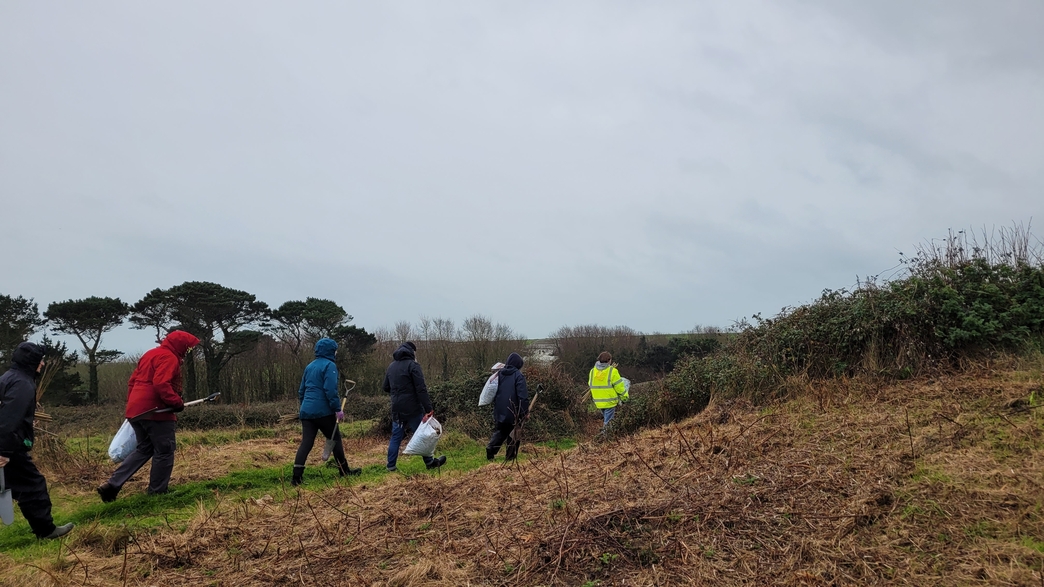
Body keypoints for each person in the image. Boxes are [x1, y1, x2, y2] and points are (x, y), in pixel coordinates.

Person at [97, 330, 200, 502]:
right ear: (181, 346)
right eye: (188, 348)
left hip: (136, 410)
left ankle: (112, 485)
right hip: (156, 411)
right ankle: (157, 492)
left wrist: (133, 405)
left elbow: (132, 382)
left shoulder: (150, 354)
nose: (189, 351)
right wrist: (176, 402)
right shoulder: (169, 358)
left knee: (144, 448)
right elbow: (161, 384)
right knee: (165, 449)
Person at [0, 342, 74, 539]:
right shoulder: (22, 384)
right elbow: (8, 419)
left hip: (8, 441)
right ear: (32, 362)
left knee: (22, 486)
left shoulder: (8, 377)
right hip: (10, 445)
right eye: (40, 360)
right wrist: (4, 452)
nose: (42, 364)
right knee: (33, 485)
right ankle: (46, 530)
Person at [291, 337, 361, 486]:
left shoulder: (309, 366)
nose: (336, 353)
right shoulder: (330, 366)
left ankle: (296, 478)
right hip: (324, 412)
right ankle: (344, 471)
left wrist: (304, 407)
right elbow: (330, 390)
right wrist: (337, 409)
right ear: (331, 351)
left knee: (306, 443)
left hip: (306, 412)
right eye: (335, 351)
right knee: (335, 440)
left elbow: (301, 391)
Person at [383, 341, 446, 472]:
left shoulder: (391, 366)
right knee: (422, 434)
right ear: (411, 352)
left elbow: (385, 387)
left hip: (397, 408)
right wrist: (428, 408)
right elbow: (421, 389)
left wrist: (397, 393)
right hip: (413, 408)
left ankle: (391, 466)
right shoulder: (413, 365)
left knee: (396, 436)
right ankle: (430, 462)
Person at [486, 352, 529, 462]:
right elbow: (522, 396)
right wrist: (524, 412)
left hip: (500, 409)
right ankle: (510, 457)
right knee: (514, 434)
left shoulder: (499, 374)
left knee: (501, 431)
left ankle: (491, 448)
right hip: (514, 410)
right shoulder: (518, 376)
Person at [588, 351, 629, 433]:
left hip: (598, 401)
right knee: (608, 422)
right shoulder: (612, 371)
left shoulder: (592, 371)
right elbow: (619, 387)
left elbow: (590, 384)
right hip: (610, 401)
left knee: (606, 420)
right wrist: (625, 398)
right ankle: (604, 437)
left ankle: (605, 435)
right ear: (609, 360)